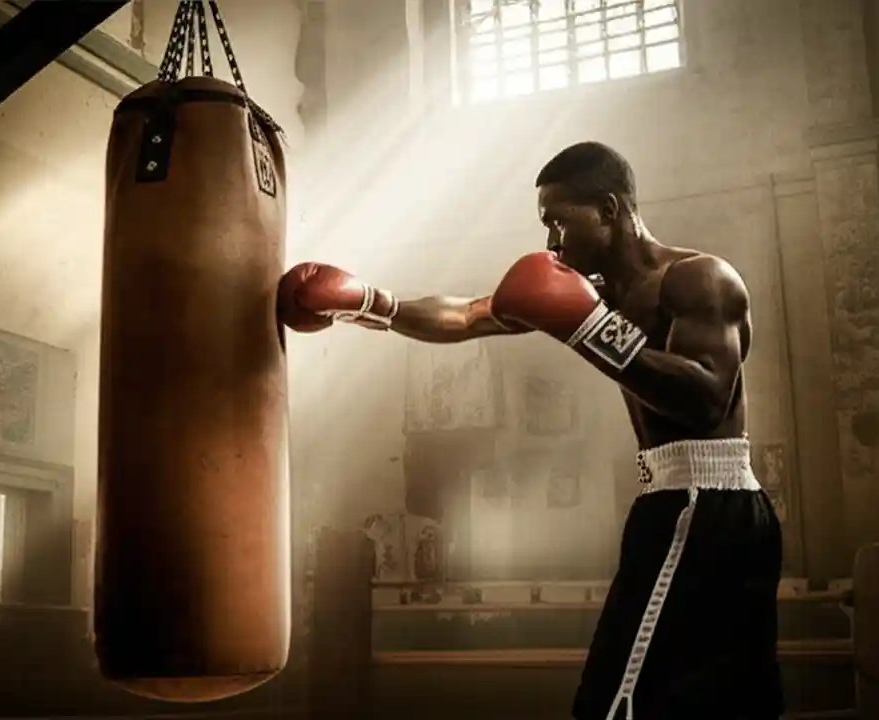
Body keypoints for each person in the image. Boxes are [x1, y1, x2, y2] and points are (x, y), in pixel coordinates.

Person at [278, 142, 784, 720]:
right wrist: (369, 303)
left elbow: (707, 398)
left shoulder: (700, 279)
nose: (551, 242)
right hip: (679, 504)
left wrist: (590, 327)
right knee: (729, 703)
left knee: (617, 701)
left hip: (703, 506)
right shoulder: (595, 291)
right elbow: (468, 316)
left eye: (559, 222)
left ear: (609, 210)